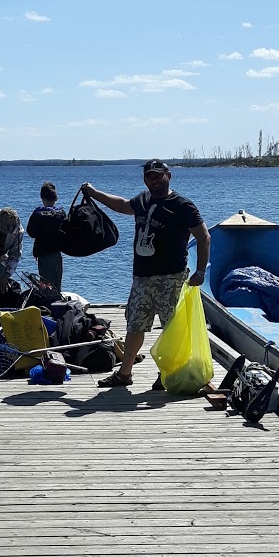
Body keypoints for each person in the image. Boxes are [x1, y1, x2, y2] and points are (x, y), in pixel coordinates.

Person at [80, 160, 209, 388]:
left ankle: (168, 374)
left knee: (171, 329)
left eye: (159, 176)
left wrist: (200, 271)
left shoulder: (182, 205)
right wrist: (93, 192)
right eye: (150, 177)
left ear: (169, 175)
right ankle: (124, 374)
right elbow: (121, 205)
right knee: (135, 326)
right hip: (141, 278)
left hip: (171, 278)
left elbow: (203, 237)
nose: (155, 181)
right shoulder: (142, 201)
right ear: (145, 179)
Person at [26, 181, 66, 292]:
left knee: (46, 286)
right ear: (55, 198)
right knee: (57, 285)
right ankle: (58, 306)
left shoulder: (38, 214)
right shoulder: (61, 214)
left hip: (43, 256)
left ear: (42, 198)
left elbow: (31, 233)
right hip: (57, 254)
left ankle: (49, 306)